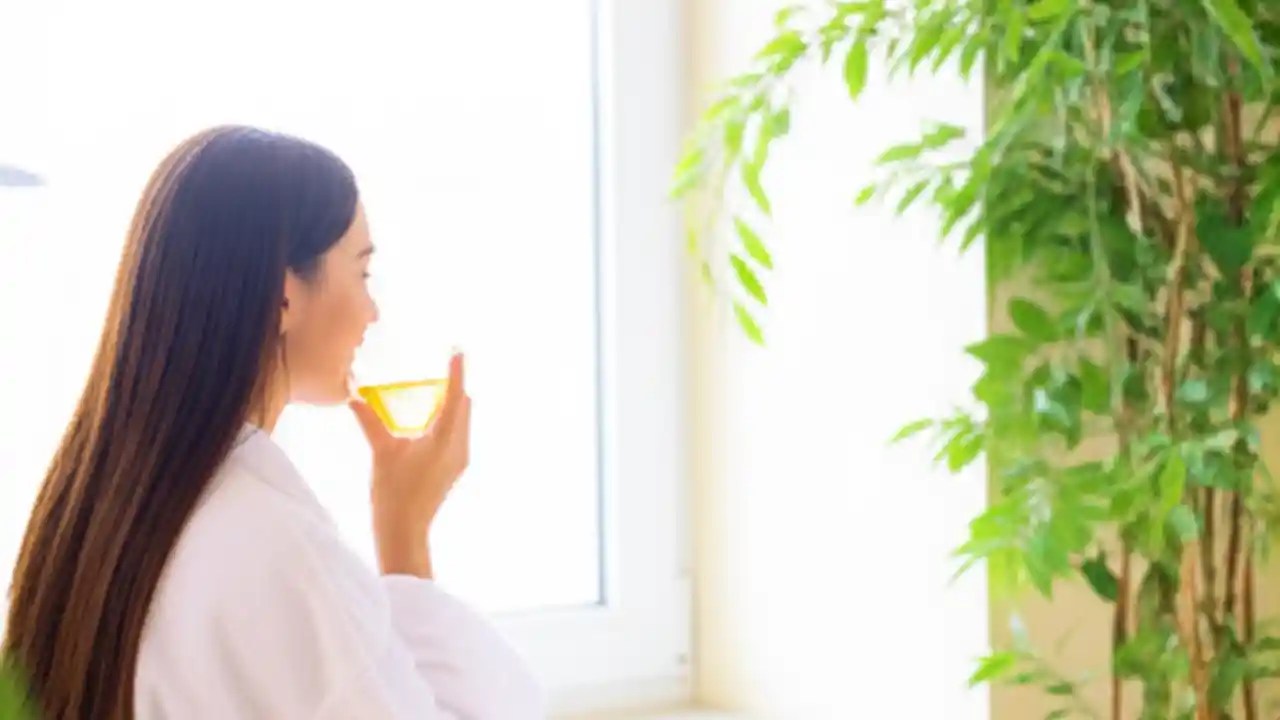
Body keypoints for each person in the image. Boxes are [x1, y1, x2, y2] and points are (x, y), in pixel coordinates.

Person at [1, 126, 545, 719]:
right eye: (362, 273)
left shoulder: (102, 511)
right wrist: (405, 536)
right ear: (282, 297)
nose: (372, 311)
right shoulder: (278, 545)